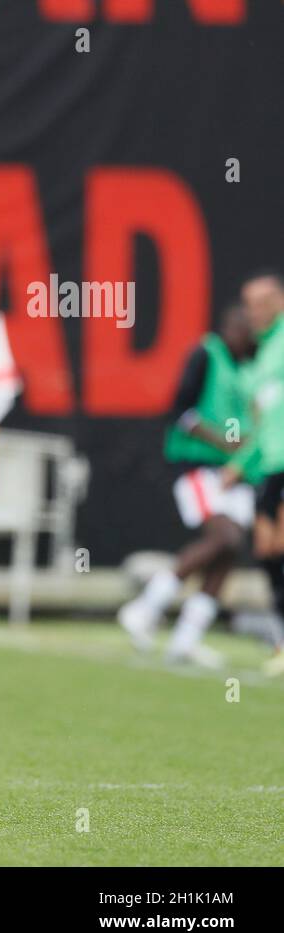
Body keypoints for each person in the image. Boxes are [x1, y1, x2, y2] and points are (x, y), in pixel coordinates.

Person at [118, 304, 255, 667]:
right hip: (198, 467)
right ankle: (145, 608)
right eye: (243, 327)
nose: (248, 335)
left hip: (239, 474)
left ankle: (186, 638)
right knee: (224, 537)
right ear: (229, 326)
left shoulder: (252, 368)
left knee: (228, 554)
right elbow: (180, 412)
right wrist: (223, 443)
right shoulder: (206, 354)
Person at [225, 269, 284, 676]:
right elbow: (262, 423)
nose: (253, 312)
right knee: (267, 553)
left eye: (260, 303)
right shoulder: (261, 356)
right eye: (248, 305)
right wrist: (239, 465)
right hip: (268, 466)